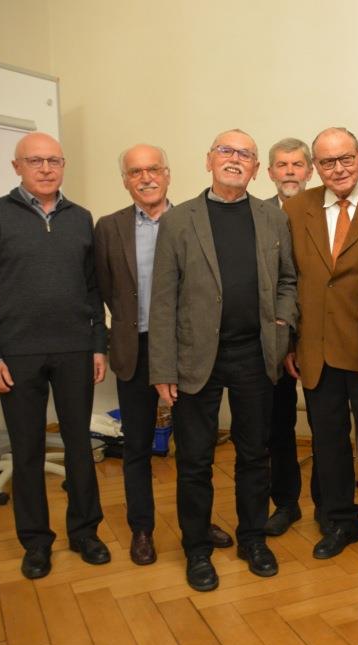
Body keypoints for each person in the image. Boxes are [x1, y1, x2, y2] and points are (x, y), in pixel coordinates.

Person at [149, 129, 297, 591]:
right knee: (194, 460)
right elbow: (163, 300)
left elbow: (288, 281)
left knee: (255, 454)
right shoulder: (180, 221)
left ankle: (253, 538)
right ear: (209, 160)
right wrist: (163, 369)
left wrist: (281, 324)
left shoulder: (271, 219)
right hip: (197, 358)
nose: (235, 160)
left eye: (245, 155)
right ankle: (196, 548)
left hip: (255, 356)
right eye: (226, 152)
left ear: (256, 169)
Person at [0, 132, 110, 579]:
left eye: (53, 161)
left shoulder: (81, 218)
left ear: (62, 165)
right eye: (35, 161)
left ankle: (86, 532)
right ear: (17, 167)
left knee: (80, 449)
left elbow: (93, 289)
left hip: (74, 350)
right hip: (16, 354)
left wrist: (97, 344)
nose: (45, 168)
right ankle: (36, 541)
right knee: (27, 449)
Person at [94, 144, 234, 566]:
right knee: (136, 444)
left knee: (195, 447)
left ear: (169, 174)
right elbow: (100, 289)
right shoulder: (108, 227)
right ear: (125, 180)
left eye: (153, 168)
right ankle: (142, 528)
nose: (146, 177)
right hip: (135, 349)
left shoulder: (195, 221)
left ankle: (197, 523)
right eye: (135, 171)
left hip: (188, 348)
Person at [283, 127, 358, 566]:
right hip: (314, 348)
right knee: (327, 443)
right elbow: (290, 278)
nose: (338, 169)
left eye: (345, 159)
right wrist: (291, 341)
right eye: (327, 162)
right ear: (315, 166)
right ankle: (339, 521)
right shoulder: (298, 208)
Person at [262, 137, 316, 536]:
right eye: (282, 165)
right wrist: (282, 340)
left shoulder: (325, 210)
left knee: (325, 427)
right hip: (274, 338)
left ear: (310, 171)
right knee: (277, 426)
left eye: (298, 165)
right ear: (270, 173)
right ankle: (285, 503)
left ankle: (333, 506)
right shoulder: (256, 214)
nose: (290, 172)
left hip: (320, 337)